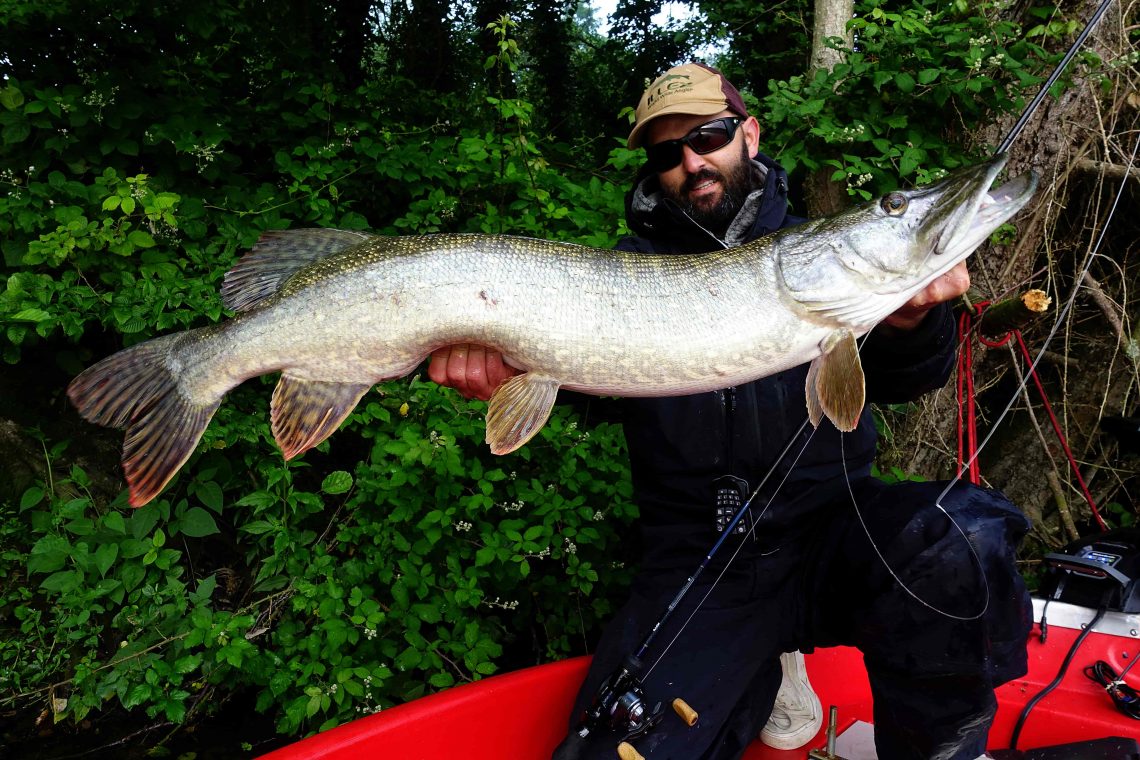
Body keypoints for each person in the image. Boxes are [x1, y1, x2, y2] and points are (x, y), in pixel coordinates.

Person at [428, 63, 1032, 760]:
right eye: (665, 153)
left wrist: (912, 322)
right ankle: (759, 672)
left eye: (708, 135)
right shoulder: (627, 267)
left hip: (832, 531)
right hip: (698, 561)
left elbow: (908, 377)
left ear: (748, 133)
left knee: (959, 538)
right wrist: (508, 370)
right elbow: (591, 395)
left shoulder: (819, 254)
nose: (690, 161)